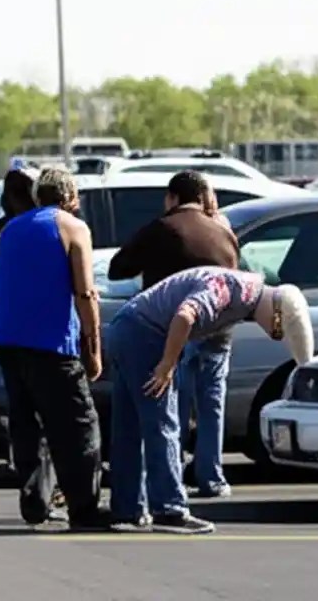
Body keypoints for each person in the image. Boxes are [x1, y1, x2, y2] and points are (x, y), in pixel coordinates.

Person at [106, 265, 314, 533]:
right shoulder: (230, 291)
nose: (273, 334)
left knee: (129, 426)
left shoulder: (243, 289)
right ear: (274, 309)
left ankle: (127, 509)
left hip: (127, 327)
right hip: (145, 335)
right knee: (163, 425)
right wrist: (167, 365)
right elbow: (184, 316)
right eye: (277, 328)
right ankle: (169, 509)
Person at [0, 165, 112, 531]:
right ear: (72, 198)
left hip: (8, 339)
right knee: (77, 425)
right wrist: (93, 347)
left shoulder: (7, 231)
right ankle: (84, 507)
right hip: (51, 342)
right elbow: (85, 293)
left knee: (28, 423)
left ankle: (35, 500)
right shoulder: (72, 228)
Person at [107, 170, 239, 498]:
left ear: (172, 198)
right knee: (211, 405)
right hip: (217, 329)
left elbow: (117, 267)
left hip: (171, 331)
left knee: (171, 408)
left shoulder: (162, 228)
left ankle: (172, 476)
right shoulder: (222, 230)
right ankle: (211, 477)